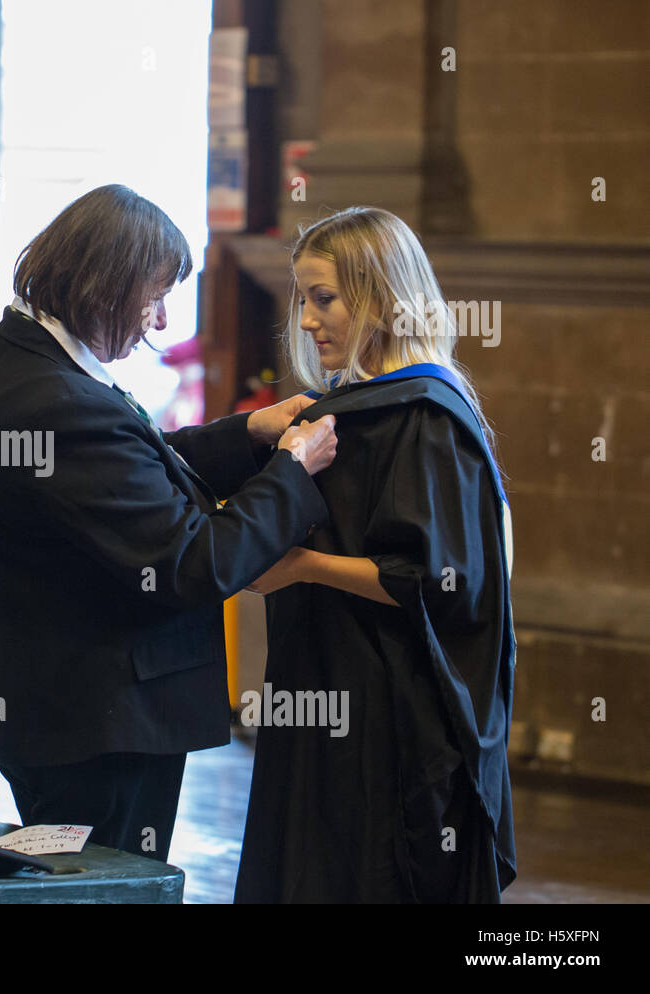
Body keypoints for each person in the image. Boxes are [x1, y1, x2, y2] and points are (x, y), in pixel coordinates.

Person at [0, 185, 338, 862]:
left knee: (66, 879)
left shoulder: (5, 362)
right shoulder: (60, 402)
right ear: (104, 284)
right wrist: (292, 471)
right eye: (153, 296)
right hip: (100, 721)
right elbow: (191, 563)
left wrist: (248, 435)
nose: (159, 320)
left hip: (41, 699)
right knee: (110, 885)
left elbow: (119, 480)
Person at [234, 206, 516, 902]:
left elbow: (442, 580)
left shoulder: (424, 415)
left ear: (382, 296)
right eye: (302, 299)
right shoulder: (349, 405)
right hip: (324, 682)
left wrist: (301, 566)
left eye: (323, 298)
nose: (305, 320)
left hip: (391, 707)